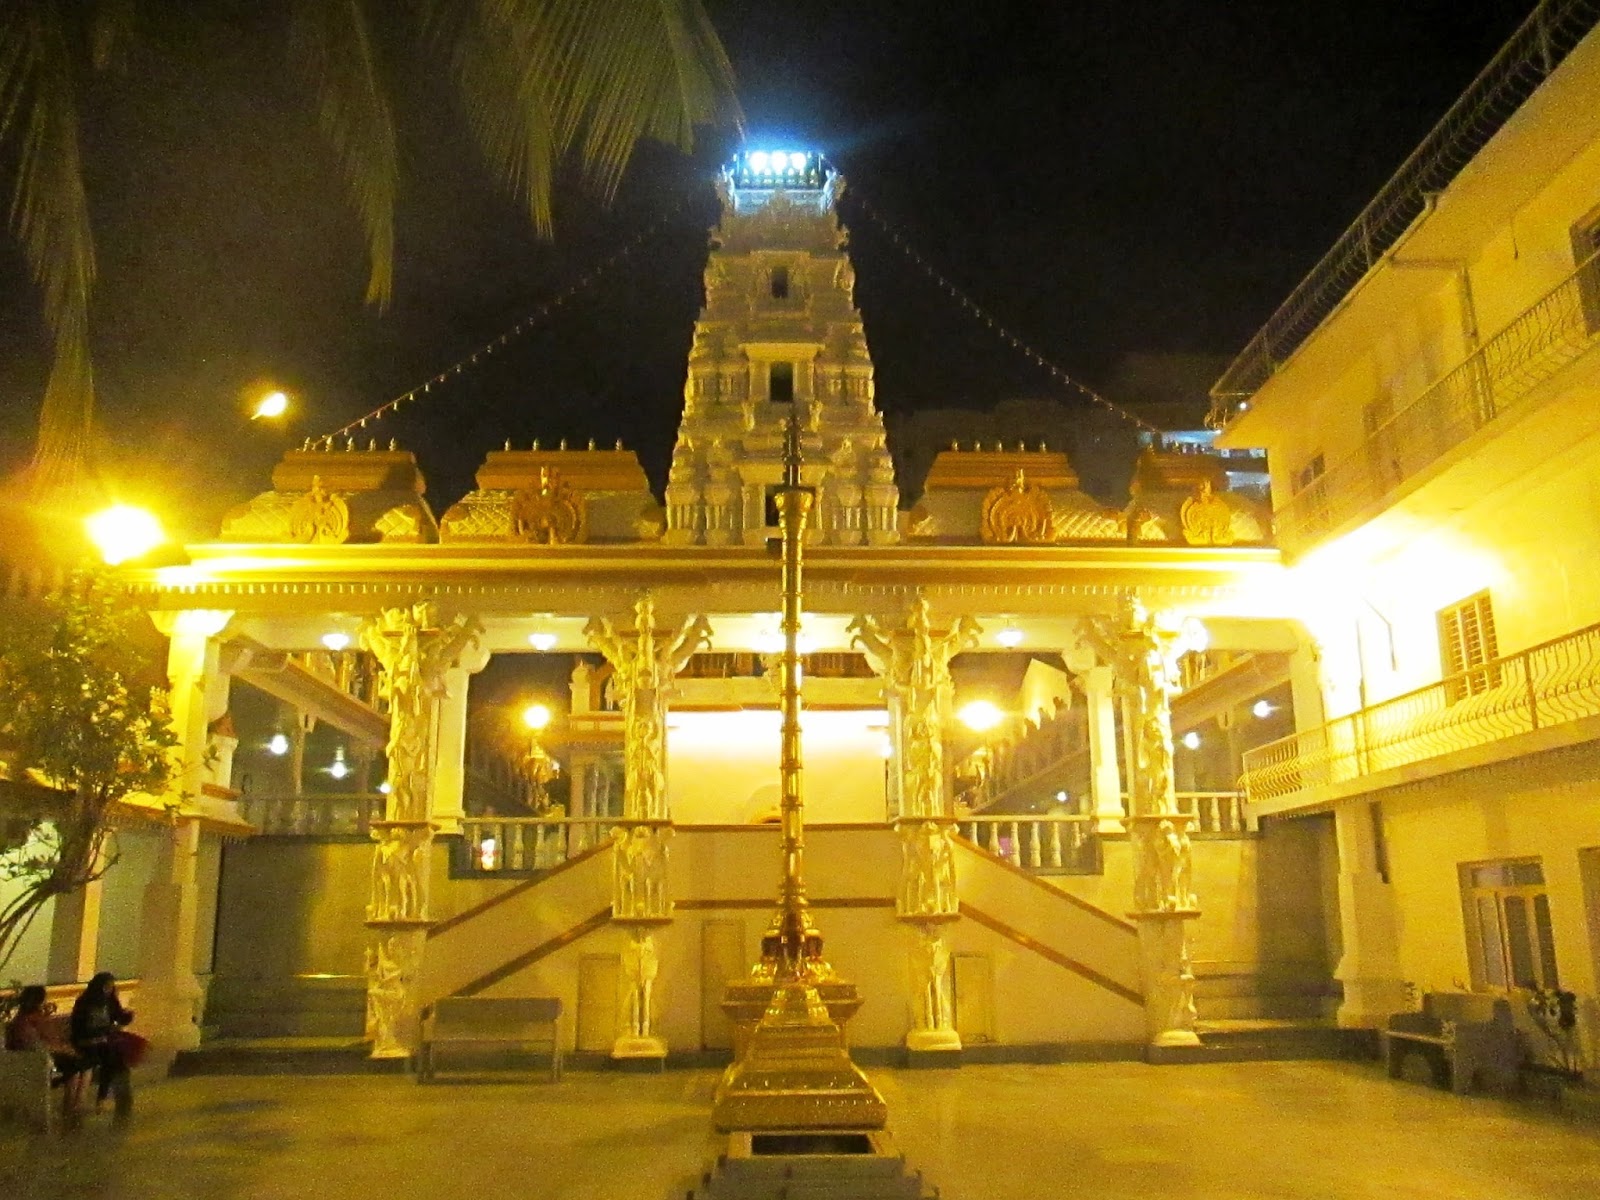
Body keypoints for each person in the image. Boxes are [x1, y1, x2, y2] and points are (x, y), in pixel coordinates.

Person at [5, 985, 87, 1114]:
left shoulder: (35, 1017)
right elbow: (35, 1045)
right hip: (35, 1060)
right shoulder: (24, 1021)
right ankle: (70, 1107)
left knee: (78, 1062)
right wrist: (62, 1049)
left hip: (44, 1055)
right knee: (75, 1064)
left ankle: (73, 1105)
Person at [70, 973, 136, 1113]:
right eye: (106, 987)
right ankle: (103, 1098)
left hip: (104, 1040)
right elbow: (79, 1028)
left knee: (117, 1059)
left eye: (111, 987)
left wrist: (128, 1016)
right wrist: (102, 1033)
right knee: (111, 1058)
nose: (108, 990)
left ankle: (116, 1100)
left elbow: (119, 1017)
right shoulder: (85, 1002)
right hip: (87, 1041)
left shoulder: (110, 1002)